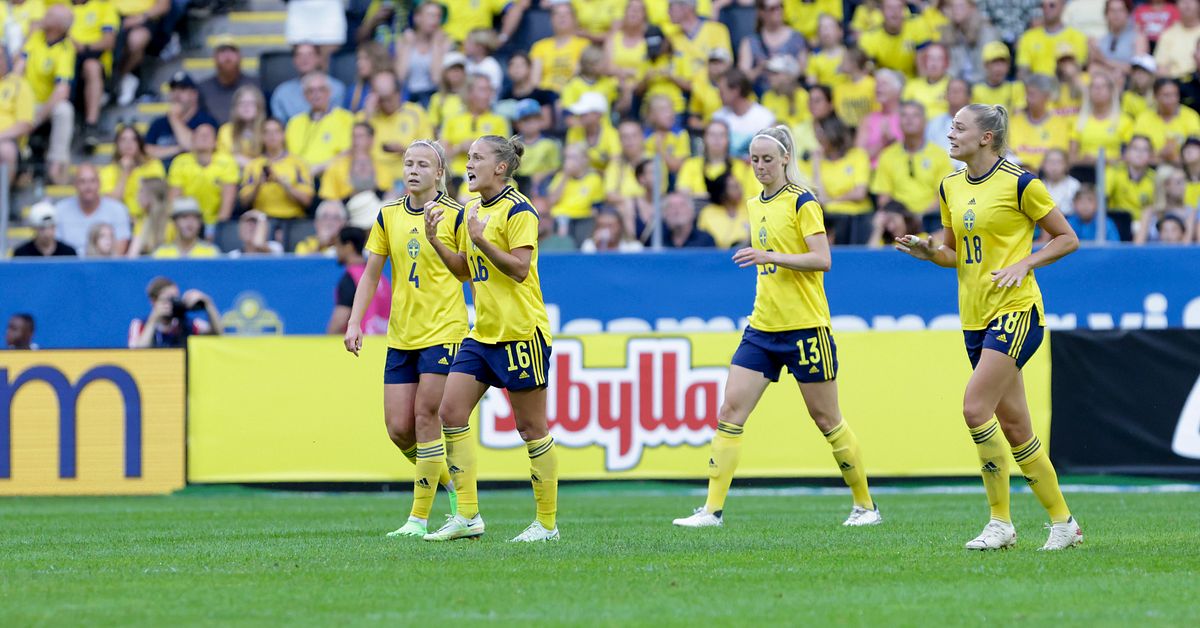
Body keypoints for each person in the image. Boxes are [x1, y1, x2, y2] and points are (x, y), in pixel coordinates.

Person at [895, 103, 1083, 551]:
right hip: (974, 318)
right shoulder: (949, 186)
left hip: (1017, 311)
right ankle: (1064, 523)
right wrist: (930, 253)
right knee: (1016, 427)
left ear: (986, 137)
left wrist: (1027, 262)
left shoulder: (1020, 182)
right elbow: (955, 252)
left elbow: (1067, 237)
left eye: (959, 127)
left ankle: (1000, 522)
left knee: (974, 407)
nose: (950, 134)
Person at [673, 124, 880, 529]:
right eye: (755, 160)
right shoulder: (755, 203)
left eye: (768, 159)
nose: (761, 167)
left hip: (806, 327)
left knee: (827, 419)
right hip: (763, 327)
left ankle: (866, 506)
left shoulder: (803, 201)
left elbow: (822, 259)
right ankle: (712, 511)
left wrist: (769, 254)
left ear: (786, 158)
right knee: (730, 411)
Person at [422, 135, 560, 543]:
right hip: (482, 334)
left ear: (500, 167)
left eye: (477, 157)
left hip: (521, 332)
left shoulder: (520, 210)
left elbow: (519, 269)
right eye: (468, 157)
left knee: (531, 428)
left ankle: (547, 524)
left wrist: (482, 238)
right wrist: (436, 242)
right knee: (451, 412)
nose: (469, 164)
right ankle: (467, 515)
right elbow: (466, 271)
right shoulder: (470, 210)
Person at [343, 141, 466, 538]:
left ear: (439, 173)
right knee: (398, 428)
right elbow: (371, 273)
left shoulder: (456, 216)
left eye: (422, 165)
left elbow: (472, 271)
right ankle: (450, 484)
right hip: (402, 335)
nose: (413, 170)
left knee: (425, 416)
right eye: (408, 163)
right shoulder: (388, 215)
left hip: (444, 331)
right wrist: (355, 322)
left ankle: (418, 519)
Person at [872, 101, 955, 232]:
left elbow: (943, 196)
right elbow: (883, 197)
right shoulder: (887, 155)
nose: (909, 120)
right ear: (899, 122)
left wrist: (920, 216)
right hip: (897, 222)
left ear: (925, 122)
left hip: (931, 221)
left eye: (915, 115)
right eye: (904, 115)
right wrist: (903, 217)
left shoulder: (939, 155)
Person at [22, 5, 76, 184]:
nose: (44, 15)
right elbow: (18, 66)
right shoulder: (36, 37)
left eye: (50, 15)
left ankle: (56, 165)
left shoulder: (66, 49)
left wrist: (37, 118)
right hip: (24, 99)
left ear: (59, 26)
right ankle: (20, 168)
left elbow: (62, 90)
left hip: (44, 105)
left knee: (64, 110)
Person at [363, 70, 433, 188]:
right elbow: (354, 152)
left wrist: (405, 151)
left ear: (398, 93)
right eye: (381, 99)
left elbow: (430, 152)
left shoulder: (416, 113)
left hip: (407, 182)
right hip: (373, 183)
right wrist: (368, 117)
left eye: (388, 98)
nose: (385, 104)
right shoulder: (366, 117)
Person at [240, 117, 314, 222]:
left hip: (292, 220)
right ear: (262, 136)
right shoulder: (253, 165)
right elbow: (244, 202)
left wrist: (284, 184)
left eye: (276, 131)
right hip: (262, 220)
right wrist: (257, 185)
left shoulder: (298, 163)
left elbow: (307, 201)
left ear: (283, 135)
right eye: (267, 132)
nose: (272, 136)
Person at [813, 116, 873, 245]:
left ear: (832, 134)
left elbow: (859, 193)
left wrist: (833, 200)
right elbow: (821, 198)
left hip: (857, 218)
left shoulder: (858, 155)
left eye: (820, 133)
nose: (817, 138)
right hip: (830, 219)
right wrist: (816, 164)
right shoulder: (820, 162)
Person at [67, 0, 118, 148]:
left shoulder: (104, 6)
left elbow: (109, 41)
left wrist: (83, 47)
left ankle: (91, 125)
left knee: (91, 66)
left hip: (92, 56)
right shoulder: (62, 5)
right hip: (65, 58)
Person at [167, 123, 239, 227]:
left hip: (214, 221)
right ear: (192, 141)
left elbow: (227, 202)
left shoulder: (227, 162)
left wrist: (218, 228)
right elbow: (174, 200)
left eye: (208, 135)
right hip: (185, 221)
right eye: (200, 134)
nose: (204, 137)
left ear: (215, 142)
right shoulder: (180, 162)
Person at [285, 73, 355, 177]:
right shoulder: (294, 122)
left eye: (321, 89)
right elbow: (288, 155)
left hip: (334, 177)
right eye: (310, 91)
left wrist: (320, 167)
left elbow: (350, 152)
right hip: (302, 179)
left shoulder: (346, 118)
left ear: (329, 92)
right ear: (305, 96)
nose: (316, 95)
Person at [440, 74, 511, 178]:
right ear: (469, 93)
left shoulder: (499, 121)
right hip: (455, 176)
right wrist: (459, 148)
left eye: (489, 90)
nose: (488, 95)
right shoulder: (452, 120)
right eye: (483, 90)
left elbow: (504, 156)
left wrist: (479, 149)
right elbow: (442, 155)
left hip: (487, 176)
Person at [100, 124, 166, 233]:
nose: (128, 144)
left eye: (133, 139)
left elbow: (158, 199)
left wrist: (139, 220)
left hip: (149, 221)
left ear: (139, 144)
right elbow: (110, 204)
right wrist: (125, 173)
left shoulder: (153, 165)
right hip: (118, 223)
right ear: (117, 145)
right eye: (123, 140)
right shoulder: (107, 171)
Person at [55, 164, 131, 255]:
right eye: (82, 181)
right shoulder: (60, 210)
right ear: (75, 185)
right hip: (69, 267)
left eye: (92, 181)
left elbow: (120, 248)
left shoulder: (118, 209)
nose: (88, 186)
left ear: (100, 183)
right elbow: (56, 247)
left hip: (106, 267)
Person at [328, 225, 391, 334]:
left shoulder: (350, 278)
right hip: (384, 342)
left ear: (348, 247)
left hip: (361, 344)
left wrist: (325, 344)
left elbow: (340, 320)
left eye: (338, 245)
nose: (336, 250)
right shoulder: (381, 278)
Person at [145, 72, 219, 164]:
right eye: (173, 89)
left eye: (183, 89)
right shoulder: (158, 123)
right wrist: (178, 149)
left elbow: (190, 146)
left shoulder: (206, 121)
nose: (177, 94)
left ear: (194, 94)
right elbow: (146, 151)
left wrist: (174, 119)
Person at [129, 276, 222, 349]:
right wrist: (153, 320)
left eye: (175, 298)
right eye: (167, 299)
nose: (172, 303)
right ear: (153, 301)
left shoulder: (186, 324)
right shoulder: (139, 324)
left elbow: (217, 333)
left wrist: (208, 304)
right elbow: (137, 353)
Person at [544, 143, 605, 245]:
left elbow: (596, 208)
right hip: (560, 217)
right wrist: (565, 176)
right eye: (567, 157)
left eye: (573, 157)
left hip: (583, 219)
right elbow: (551, 201)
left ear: (584, 160)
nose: (569, 161)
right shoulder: (560, 177)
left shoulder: (594, 179)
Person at [270, 44, 347, 123]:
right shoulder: (282, 92)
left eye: (310, 54)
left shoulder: (336, 87)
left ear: (319, 58)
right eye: (299, 55)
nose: (304, 59)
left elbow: (340, 121)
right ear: (294, 60)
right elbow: (279, 127)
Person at [739, 0, 805, 92]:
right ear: (761, 13)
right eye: (772, 9)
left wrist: (788, 69)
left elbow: (803, 70)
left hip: (789, 94)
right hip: (760, 95)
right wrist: (760, 68)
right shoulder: (750, 42)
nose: (778, 11)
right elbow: (742, 78)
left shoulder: (796, 38)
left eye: (780, 6)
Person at [393, 0, 450, 106]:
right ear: (417, 18)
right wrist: (408, 46)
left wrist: (435, 45)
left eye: (438, 16)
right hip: (408, 96)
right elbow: (400, 77)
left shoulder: (444, 42)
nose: (435, 20)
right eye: (430, 15)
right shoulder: (404, 41)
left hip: (433, 96)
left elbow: (436, 78)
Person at [113, 0, 170, 106]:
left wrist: (142, 17)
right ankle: (116, 81)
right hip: (109, 18)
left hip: (144, 18)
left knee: (136, 41)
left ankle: (120, 78)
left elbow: (164, 5)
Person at [321, 122, 393, 203]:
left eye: (360, 136)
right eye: (353, 136)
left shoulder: (382, 168)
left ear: (371, 140)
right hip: (344, 209)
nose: (355, 141)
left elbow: (387, 195)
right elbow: (328, 198)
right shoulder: (336, 166)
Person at [712, 69, 776, 159]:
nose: (718, 95)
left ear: (735, 91)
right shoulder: (718, 117)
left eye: (722, 92)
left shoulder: (765, 118)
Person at [1016, 0, 1088, 78]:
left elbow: (1077, 70)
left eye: (1052, 5)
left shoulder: (1078, 36)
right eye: (1043, 6)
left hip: (1065, 86)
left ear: (1063, 6)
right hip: (1036, 87)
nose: (1046, 9)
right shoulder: (1028, 37)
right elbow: (1022, 72)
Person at [530, 3, 591, 94]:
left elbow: (579, 76)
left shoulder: (584, 45)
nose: (562, 17)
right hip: (545, 96)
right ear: (551, 19)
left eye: (567, 14)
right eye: (557, 14)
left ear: (575, 19)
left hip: (572, 94)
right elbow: (534, 81)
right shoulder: (539, 46)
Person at [1105, 134, 1157, 241]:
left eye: (1145, 150)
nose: (1140, 153)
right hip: (1119, 223)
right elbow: (1102, 198)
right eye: (1135, 149)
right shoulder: (1113, 172)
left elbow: (1156, 210)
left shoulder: (1155, 178)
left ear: (1151, 156)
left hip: (1146, 225)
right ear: (1126, 153)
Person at [197, 36, 256, 127]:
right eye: (222, 51)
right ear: (214, 57)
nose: (227, 56)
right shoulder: (203, 88)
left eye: (232, 51)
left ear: (240, 57)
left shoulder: (255, 85)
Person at [0, 48, 35, 187]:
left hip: (8, 142)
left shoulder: (19, 84)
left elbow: (25, 124)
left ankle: (2, 204)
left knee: (6, 150)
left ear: (6, 60)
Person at [150, 197, 221, 258]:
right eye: (184, 217)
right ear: (175, 222)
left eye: (194, 218)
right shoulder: (161, 254)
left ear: (200, 223)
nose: (189, 223)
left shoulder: (211, 253)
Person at [218, 85, 267, 168]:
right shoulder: (226, 130)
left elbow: (273, 158)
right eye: (241, 103)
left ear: (259, 107)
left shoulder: (267, 129)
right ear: (235, 108)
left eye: (251, 103)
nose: (246, 106)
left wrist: (239, 159)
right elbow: (222, 159)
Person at [13, 202, 78, 257]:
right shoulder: (21, 254)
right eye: (42, 228)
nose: (47, 233)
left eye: (51, 227)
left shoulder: (69, 253)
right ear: (34, 228)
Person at [1154, 0, 1200, 78]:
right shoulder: (1167, 34)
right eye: (1182, 1)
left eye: (1191, 0)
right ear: (1176, 6)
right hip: (1175, 84)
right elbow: (1160, 68)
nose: (1187, 3)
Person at [345, 43, 390, 113]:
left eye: (365, 58)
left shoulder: (392, 86)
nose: (359, 63)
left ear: (378, 59)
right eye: (358, 59)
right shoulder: (353, 90)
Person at [579, 208, 644, 253]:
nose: (606, 229)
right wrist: (597, 247)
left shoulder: (633, 247)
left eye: (610, 226)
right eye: (601, 225)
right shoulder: (589, 245)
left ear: (620, 226)